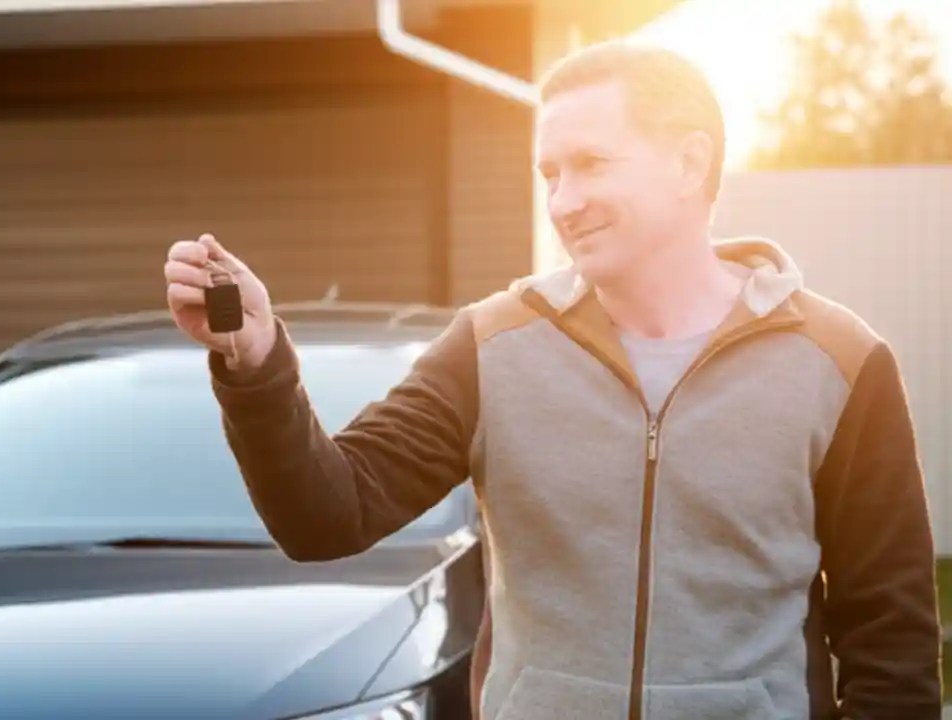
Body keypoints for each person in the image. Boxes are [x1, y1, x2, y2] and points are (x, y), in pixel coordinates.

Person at [162, 40, 942, 720]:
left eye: (592, 164)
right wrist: (258, 364)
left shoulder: (839, 363)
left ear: (689, 163)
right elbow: (327, 515)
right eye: (549, 172)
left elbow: (892, 642)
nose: (563, 202)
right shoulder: (492, 345)